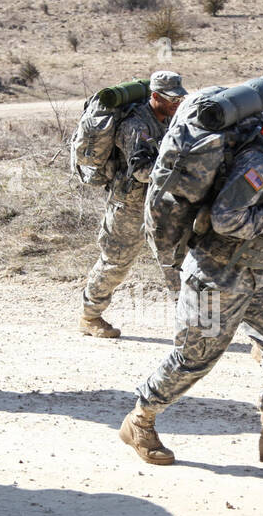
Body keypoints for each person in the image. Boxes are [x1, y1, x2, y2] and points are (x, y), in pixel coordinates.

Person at [120, 90, 263, 467]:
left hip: (259, 274)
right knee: (195, 357)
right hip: (215, 277)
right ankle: (139, 420)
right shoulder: (259, 161)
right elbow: (226, 219)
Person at [78, 70, 187, 338]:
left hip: (162, 203)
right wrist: (178, 171)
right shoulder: (135, 126)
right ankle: (90, 316)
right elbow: (140, 170)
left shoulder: (171, 119)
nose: (176, 103)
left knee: (176, 262)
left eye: (179, 98)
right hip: (130, 204)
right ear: (155, 96)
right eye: (171, 99)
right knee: (116, 262)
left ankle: (192, 322)